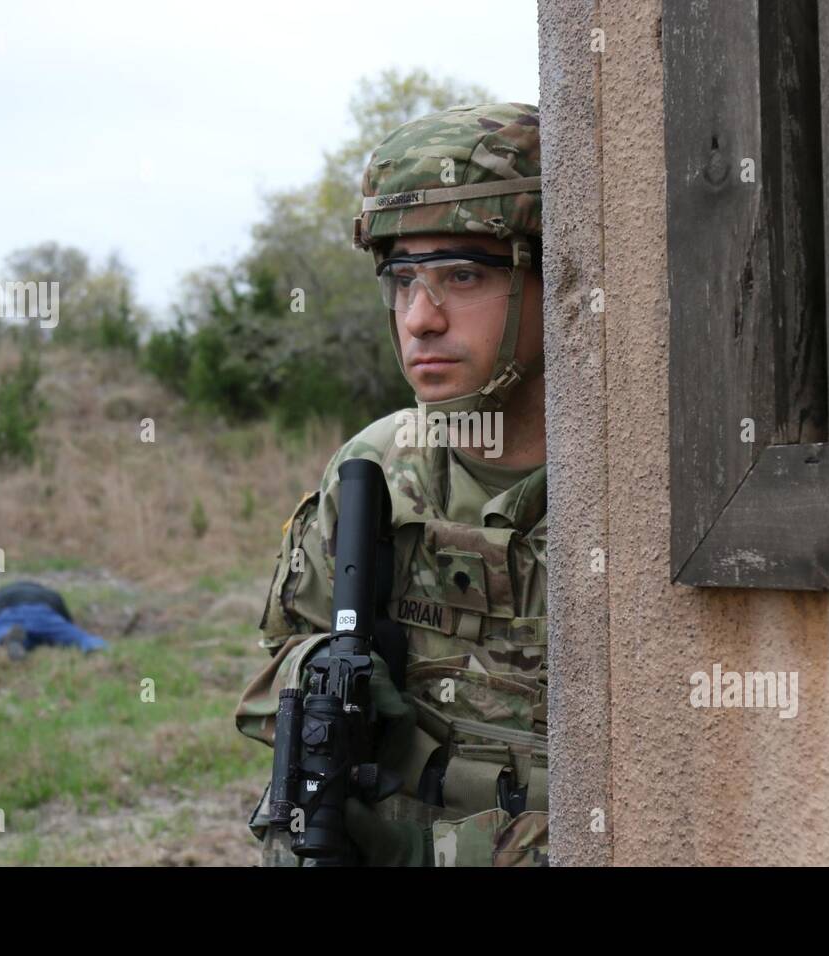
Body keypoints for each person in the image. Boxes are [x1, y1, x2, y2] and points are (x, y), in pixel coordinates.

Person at [235, 102, 548, 867]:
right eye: (403, 279)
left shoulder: (638, 486)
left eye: (463, 276)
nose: (421, 319)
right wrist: (321, 679)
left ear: (553, 273)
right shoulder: (376, 468)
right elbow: (275, 674)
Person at [0, 580, 108, 660]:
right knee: (79, 637)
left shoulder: (0, 595)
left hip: (5, 613)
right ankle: (94, 646)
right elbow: (63, 614)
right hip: (41, 612)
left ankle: (6, 638)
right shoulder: (46, 592)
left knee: (1, 630)